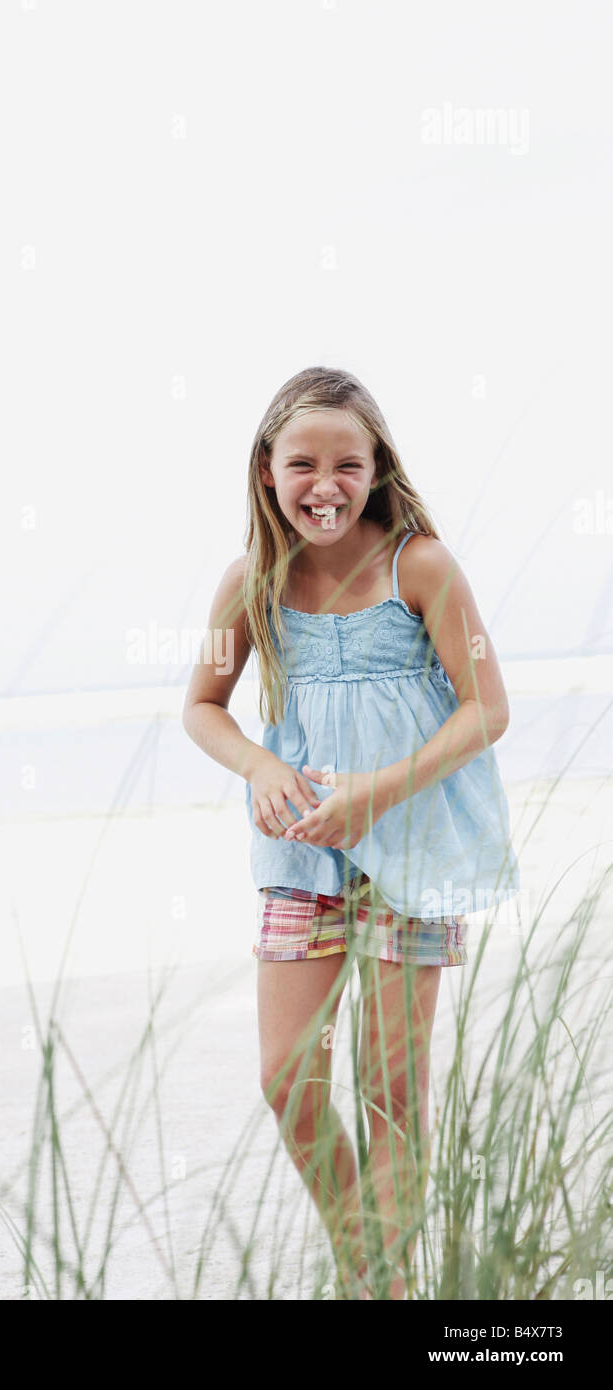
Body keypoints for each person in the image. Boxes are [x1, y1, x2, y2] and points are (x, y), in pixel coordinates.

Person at [181, 365, 520, 1300]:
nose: (323, 484)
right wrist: (257, 763)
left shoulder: (421, 566)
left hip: (411, 852)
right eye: (302, 463)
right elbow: (203, 708)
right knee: (290, 1085)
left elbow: (486, 709)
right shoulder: (250, 582)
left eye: (346, 464)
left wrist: (378, 794)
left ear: (376, 470)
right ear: (266, 471)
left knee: (390, 1093)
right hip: (299, 856)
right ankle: (361, 1256)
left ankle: (388, 1288)